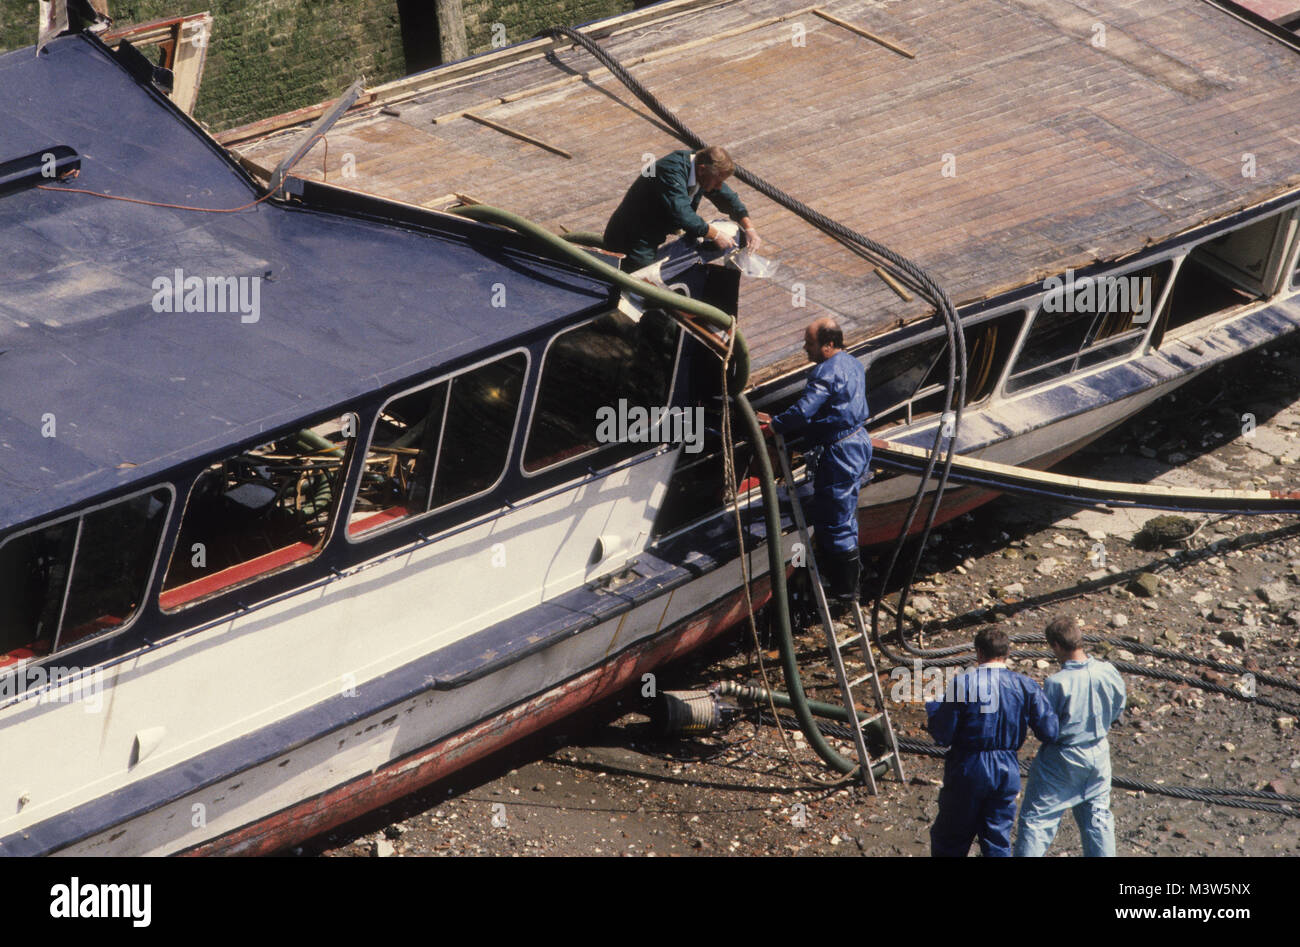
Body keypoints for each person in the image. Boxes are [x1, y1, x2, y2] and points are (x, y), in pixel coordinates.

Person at [757, 317, 870, 601]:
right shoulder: (854, 363)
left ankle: (845, 590)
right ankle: (849, 580)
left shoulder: (824, 372)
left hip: (840, 451)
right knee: (845, 514)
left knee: (834, 519)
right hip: (859, 441)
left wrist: (774, 426)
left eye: (809, 343)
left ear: (828, 345)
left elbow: (804, 411)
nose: (805, 349)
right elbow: (835, 406)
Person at [926, 627, 1059, 857]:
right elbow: (1049, 730)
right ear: (1007, 652)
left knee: (950, 838)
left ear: (978, 652)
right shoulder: (1025, 685)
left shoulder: (963, 684)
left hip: (968, 766)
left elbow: (942, 734)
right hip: (1007, 768)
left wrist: (934, 708)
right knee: (997, 839)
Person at [1014, 617, 1126, 857]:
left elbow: (1047, 727)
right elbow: (1119, 707)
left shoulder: (1056, 683)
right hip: (1098, 752)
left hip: (1064, 756)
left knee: (1036, 820)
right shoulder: (1108, 671)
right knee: (1098, 817)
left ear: (1055, 645)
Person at [603, 145, 760, 272]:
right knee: (641, 286)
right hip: (632, 238)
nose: (719, 186)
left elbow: (728, 199)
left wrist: (749, 228)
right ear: (701, 169)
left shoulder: (704, 172)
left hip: (652, 235)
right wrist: (716, 234)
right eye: (717, 181)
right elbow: (683, 214)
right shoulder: (670, 171)